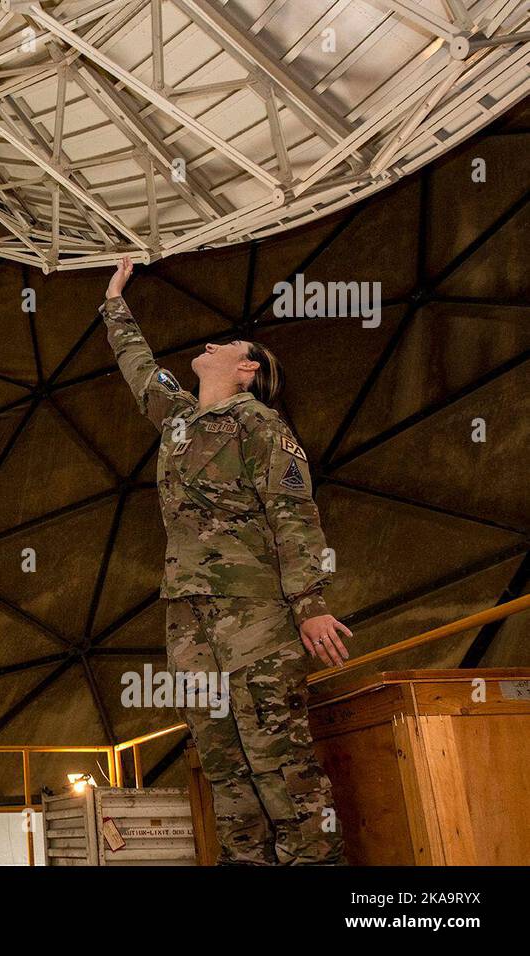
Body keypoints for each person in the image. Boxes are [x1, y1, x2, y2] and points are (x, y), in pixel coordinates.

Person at [101, 255, 350, 865]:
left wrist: (311, 606)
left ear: (246, 370)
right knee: (221, 759)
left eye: (227, 343)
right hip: (189, 619)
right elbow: (139, 369)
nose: (209, 343)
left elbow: (295, 516)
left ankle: (316, 861)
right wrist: (114, 302)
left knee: (277, 754)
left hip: (256, 613)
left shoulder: (261, 426)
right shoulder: (180, 421)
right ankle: (246, 860)